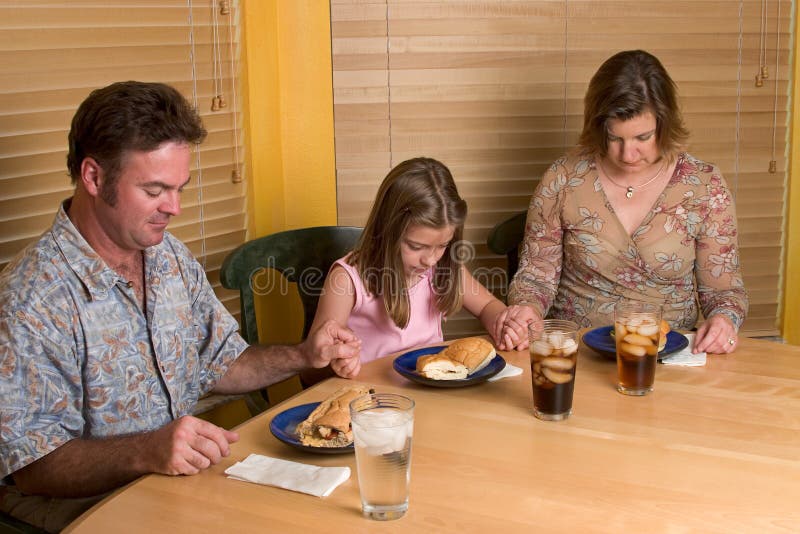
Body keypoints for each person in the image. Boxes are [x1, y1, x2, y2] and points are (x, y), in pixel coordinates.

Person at [0, 81, 361, 532]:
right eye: (154, 190)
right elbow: (32, 467)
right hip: (89, 514)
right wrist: (146, 450)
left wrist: (304, 355)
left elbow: (222, 364)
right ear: (93, 177)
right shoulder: (32, 299)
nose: (174, 208)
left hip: (184, 489)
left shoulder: (167, 255)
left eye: (180, 188)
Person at [508, 50, 748, 355]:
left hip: (669, 355)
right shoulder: (562, 179)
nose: (627, 155)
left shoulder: (704, 186)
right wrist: (526, 307)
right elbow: (535, 275)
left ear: (665, 123)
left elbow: (725, 291)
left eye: (642, 138)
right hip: (576, 353)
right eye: (615, 138)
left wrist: (724, 320)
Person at [303, 157, 536, 384]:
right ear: (387, 230)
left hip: (431, 395)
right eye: (416, 246)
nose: (430, 259)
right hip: (373, 399)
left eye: (442, 245)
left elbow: (487, 306)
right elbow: (312, 363)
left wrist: (504, 322)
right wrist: (338, 361)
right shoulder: (348, 279)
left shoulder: (443, 268)